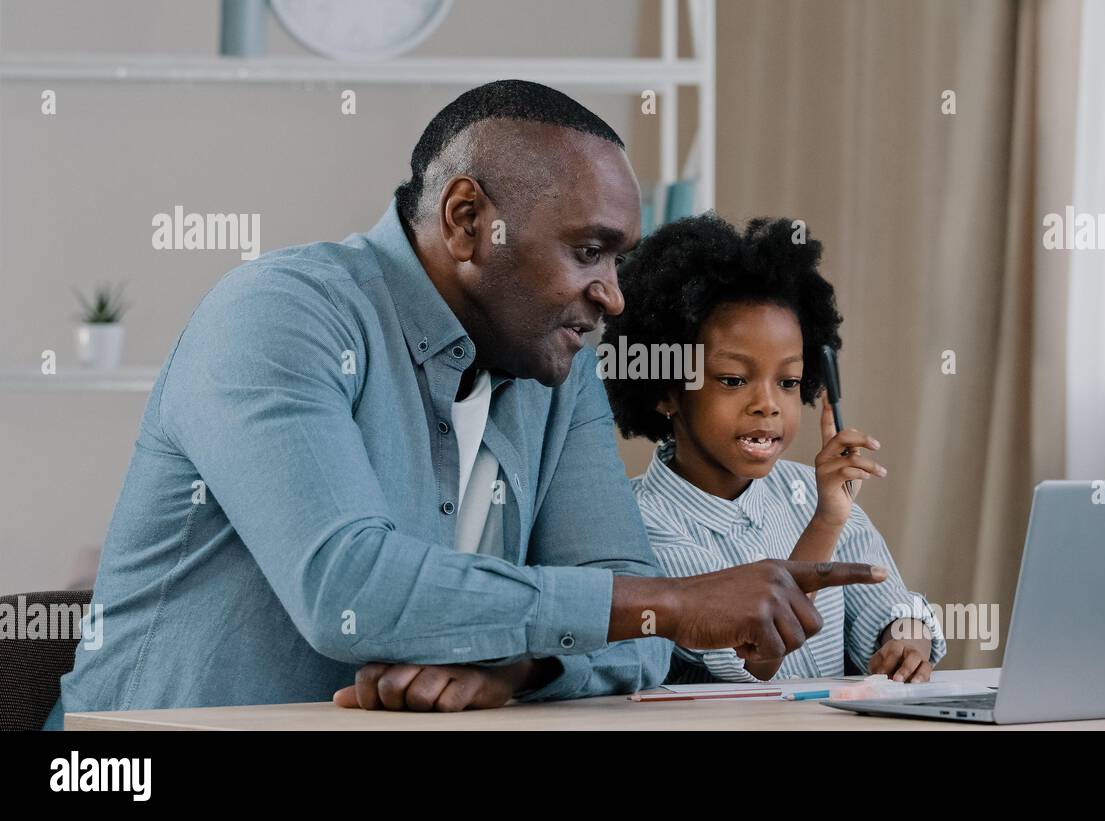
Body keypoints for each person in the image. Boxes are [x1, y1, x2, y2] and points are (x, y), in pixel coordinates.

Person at [45, 81, 886, 727]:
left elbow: (635, 635)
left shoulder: (556, 375)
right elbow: (350, 588)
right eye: (590, 251)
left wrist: (519, 668)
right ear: (466, 220)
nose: (616, 298)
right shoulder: (279, 314)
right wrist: (667, 602)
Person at [601, 213, 947, 684]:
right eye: (733, 380)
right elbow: (758, 657)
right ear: (666, 391)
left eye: (787, 382)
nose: (768, 405)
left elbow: (892, 603)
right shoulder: (639, 528)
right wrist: (826, 524)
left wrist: (905, 638)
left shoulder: (812, 489)